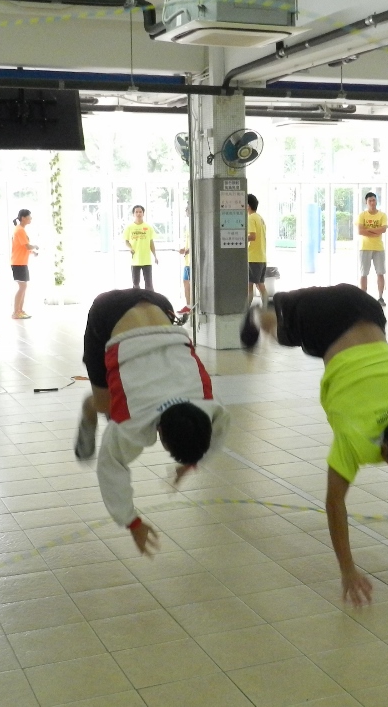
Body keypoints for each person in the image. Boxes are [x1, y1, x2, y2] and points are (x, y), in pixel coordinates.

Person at [241, 285, 388, 605]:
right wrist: (347, 570)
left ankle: (273, 309)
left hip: (366, 306)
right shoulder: (356, 440)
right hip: (321, 319)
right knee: (282, 337)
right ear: (385, 451)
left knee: (299, 336)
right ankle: (262, 315)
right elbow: (334, 504)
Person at [73, 289, 229, 555]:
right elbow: (110, 468)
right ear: (160, 436)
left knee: (115, 405)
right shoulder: (131, 421)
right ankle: (89, 408)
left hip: (157, 302)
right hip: (107, 315)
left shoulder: (207, 404)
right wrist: (132, 522)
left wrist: (191, 464)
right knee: (106, 407)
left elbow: (217, 431)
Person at [357, 192, 388, 306]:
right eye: (370, 200)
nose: (372, 203)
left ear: (376, 201)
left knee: (380, 273)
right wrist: (375, 231)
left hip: (378, 248)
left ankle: (380, 297)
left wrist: (368, 230)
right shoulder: (362, 215)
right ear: (366, 202)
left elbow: (383, 229)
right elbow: (360, 231)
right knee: (363, 273)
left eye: (374, 200)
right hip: (364, 248)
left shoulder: (382, 215)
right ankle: (363, 298)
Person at [10, 209, 39, 319]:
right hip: (18, 263)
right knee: (22, 286)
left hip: (21, 262)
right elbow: (27, 246)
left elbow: (22, 247)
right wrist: (34, 246)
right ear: (23, 218)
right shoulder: (19, 230)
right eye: (29, 217)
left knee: (23, 286)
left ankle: (20, 310)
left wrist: (32, 252)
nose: (30, 219)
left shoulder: (20, 230)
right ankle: (16, 312)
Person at [123, 205, 157, 291]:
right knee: (135, 284)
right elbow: (126, 241)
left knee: (149, 284)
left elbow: (151, 242)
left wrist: (155, 256)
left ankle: (149, 301)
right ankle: (137, 301)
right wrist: (130, 248)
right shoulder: (129, 228)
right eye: (136, 212)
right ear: (133, 214)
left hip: (146, 260)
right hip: (135, 260)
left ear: (143, 213)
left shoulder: (148, 227)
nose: (138, 214)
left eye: (140, 212)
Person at [247, 194, 268, 307]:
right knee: (260, 284)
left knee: (250, 285)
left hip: (253, 257)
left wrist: (240, 239)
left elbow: (252, 236)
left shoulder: (251, 218)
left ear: (248, 205)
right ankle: (266, 307)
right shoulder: (260, 218)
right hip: (262, 256)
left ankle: (246, 310)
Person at [178, 226, 191, 314]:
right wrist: (184, 249)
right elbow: (188, 244)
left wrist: (189, 250)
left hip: (192, 262)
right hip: (187, 262)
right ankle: (188, 306)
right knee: (185, 282)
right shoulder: (188, 227)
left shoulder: (195, 225)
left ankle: (191, 306)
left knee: (191, 285)